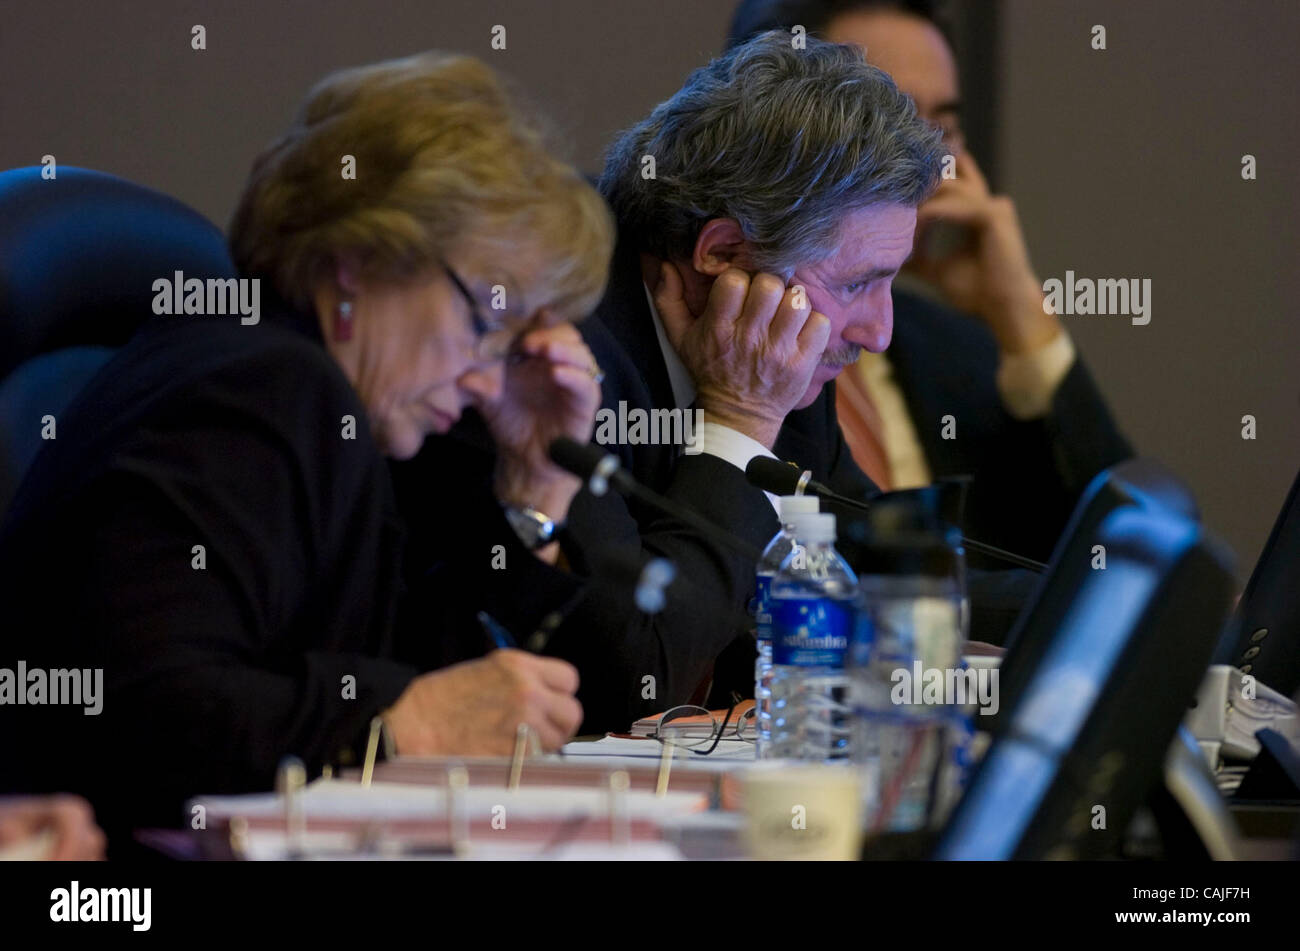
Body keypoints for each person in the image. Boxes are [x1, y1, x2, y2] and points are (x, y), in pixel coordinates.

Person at [0, 52, 613, 845]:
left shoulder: (321, 396)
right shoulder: (265, 388)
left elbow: (440, 682)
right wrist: (405, 717)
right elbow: (150, 711)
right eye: (486, 322)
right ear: (358, 265)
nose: (488, 382)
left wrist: (533, 488)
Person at [397, 31, 1033, 735]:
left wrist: (1084, 602)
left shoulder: (774, 338)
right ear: (724, 254)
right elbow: (633, 672)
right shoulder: (553, 346)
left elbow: (869, 570)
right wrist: (740, 418)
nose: (877, 331)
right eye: (857, 284)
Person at [727, 0, 1134, 562]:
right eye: (885, 120)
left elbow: (1123, 560)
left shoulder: (960, 351)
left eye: (941, 127)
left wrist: (1026, 322)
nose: (925, 163)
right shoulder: (713, 343)